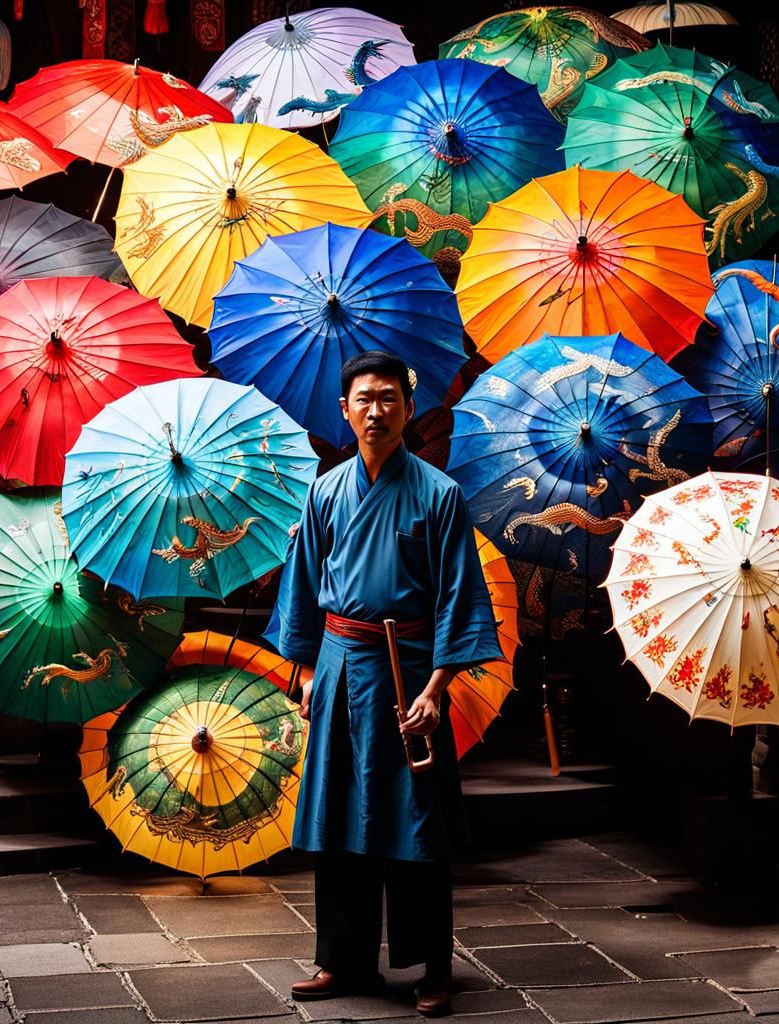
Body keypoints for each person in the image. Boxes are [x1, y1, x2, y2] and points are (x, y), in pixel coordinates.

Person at [266, 350, 502, 1018]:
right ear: (345, 411)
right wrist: (308, 670)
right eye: (364, 398)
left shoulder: (439, 494)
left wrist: (437, 688)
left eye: (389, 398)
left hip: (407, 672)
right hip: (341, 668)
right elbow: (303, 586)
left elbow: (460, 594)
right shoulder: (325, 491)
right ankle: (340, 959)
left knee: (414, 824)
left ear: (408, 406)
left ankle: (431, 968)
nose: (376, 410)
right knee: (340, 816)